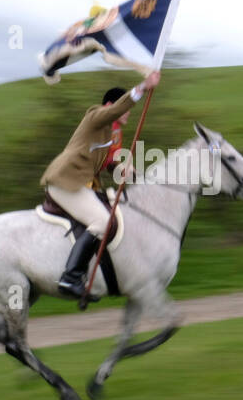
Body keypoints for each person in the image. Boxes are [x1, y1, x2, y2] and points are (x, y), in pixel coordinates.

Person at [42, 69, 161, 299]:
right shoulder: (96, 116)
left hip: (84, 185)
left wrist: (137, 176)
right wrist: (144, 87)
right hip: (66, 181)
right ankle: (70, 278)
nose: (127, 115)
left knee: (111, 216)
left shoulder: (115, 133)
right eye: (124, 109)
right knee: (102, 222)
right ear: (111, 105)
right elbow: (116, 110)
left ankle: (94, 275)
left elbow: (112, 163)